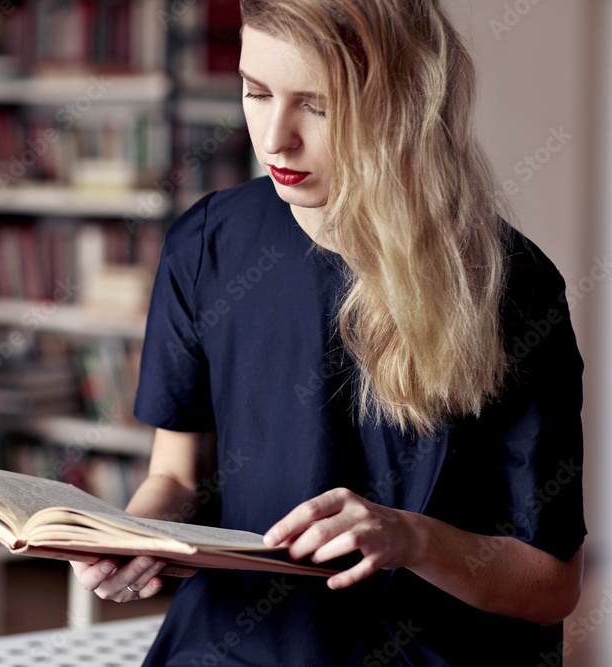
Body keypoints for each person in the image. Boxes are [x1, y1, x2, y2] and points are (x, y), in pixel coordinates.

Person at [71, 0, 586, 664]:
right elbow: (176, 474)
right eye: (255, 91)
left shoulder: (511, 285)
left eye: (316, 105)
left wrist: (411, 537)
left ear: (401, 104)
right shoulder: (205, 246)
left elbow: (550, 586)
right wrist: (137, 536)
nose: (274, 138)